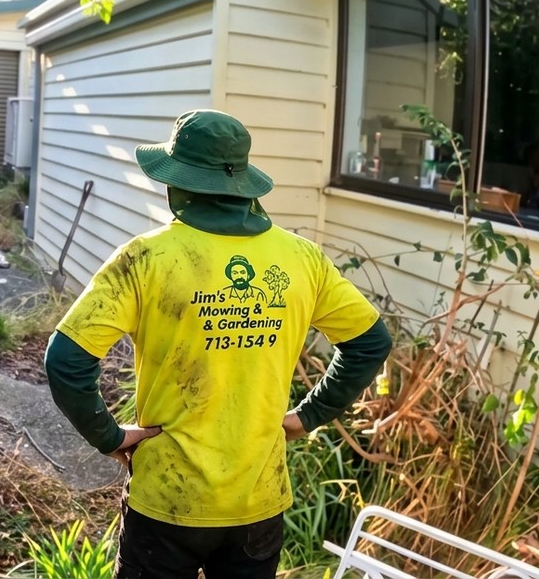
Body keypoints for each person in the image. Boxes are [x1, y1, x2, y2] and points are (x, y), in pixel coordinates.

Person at [44, 109, 392, 579]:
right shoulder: (302, 259)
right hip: (258, 500)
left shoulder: (145, 258)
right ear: (243, 185)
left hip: (167, 499)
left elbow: (66, 360)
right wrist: (308, 416)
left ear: (178, 184)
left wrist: (109, 436)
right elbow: (370, 343)